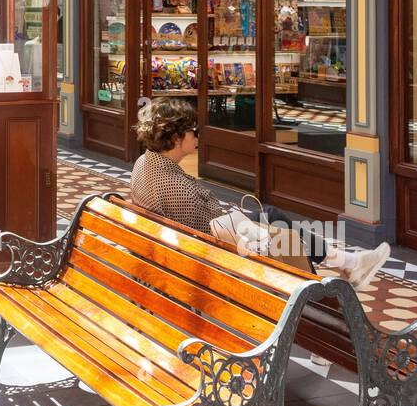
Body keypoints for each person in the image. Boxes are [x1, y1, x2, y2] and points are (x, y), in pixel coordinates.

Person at [129, 98, 390, 289]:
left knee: (275, 219)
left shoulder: (146, 162)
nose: (199, 135)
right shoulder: (176, 188)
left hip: (181, 245)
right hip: (211, 255)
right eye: (193, 131)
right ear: (175, 138)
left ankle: (346, 265)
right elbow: (217, 234)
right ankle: (333, 287)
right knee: (283, 234)